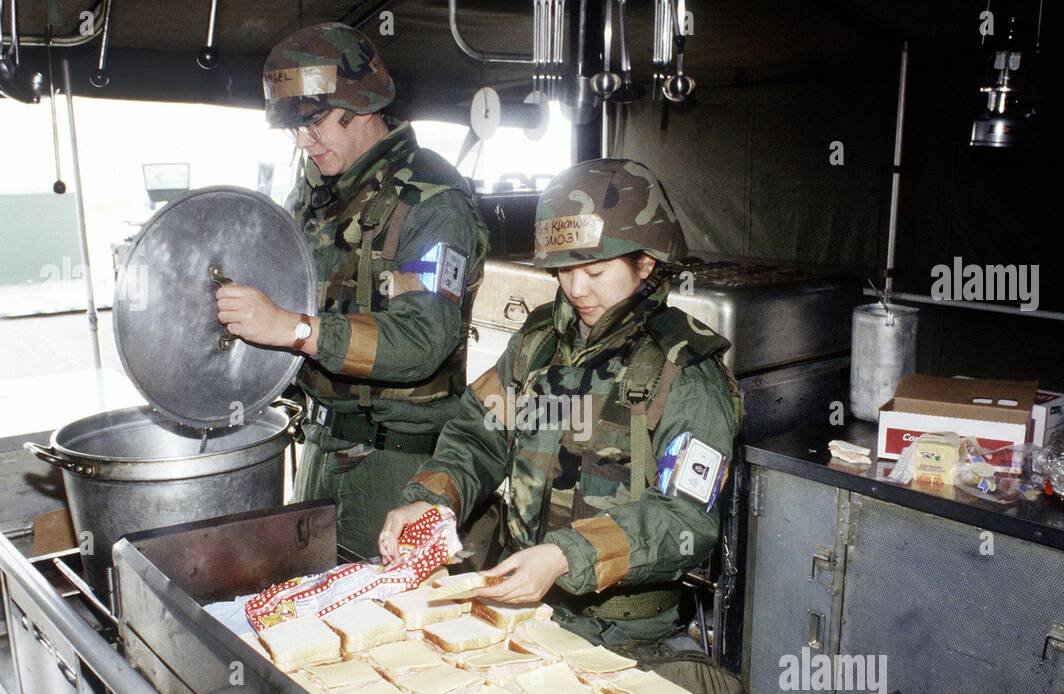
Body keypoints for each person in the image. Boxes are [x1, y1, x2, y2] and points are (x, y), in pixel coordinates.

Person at [380, 159, 741, 648]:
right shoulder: (537, 343)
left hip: (625, 637)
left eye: (594, 270)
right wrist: (433, 499)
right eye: (564, 270)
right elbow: (477, 437)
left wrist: (566, 556)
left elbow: (686, 519)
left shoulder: (687, 372)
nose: (576, 288)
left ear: (646, 263)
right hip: (518, 610)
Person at [214, 22, 489, 557]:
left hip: (397, 466)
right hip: (320, 448)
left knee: (385, 628)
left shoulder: (433, 202)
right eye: (292, 128)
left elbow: (422, 340)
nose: (302, 140)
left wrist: (292, 329)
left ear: (362, 105)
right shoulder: (315, 195)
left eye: (313, 122)